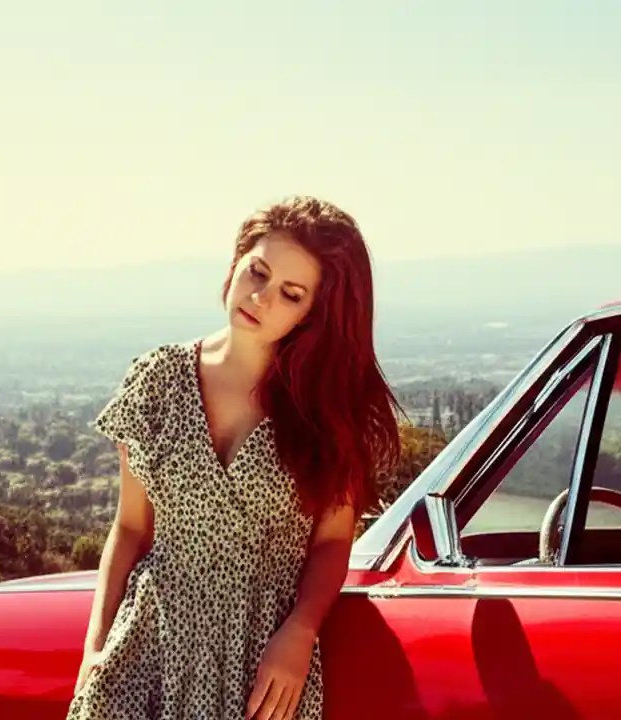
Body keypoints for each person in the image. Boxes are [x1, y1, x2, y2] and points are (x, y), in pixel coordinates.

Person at [66, 196, 401, 720]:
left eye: (290, 294)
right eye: (258, 272)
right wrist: (95, 648)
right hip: (148, 648)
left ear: (312, 311)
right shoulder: (157, 380)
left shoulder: (327, 408)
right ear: (236, 262)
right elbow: (130, 528)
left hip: (263, 660)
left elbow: (334, 541)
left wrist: (300, 630)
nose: (261, 298)